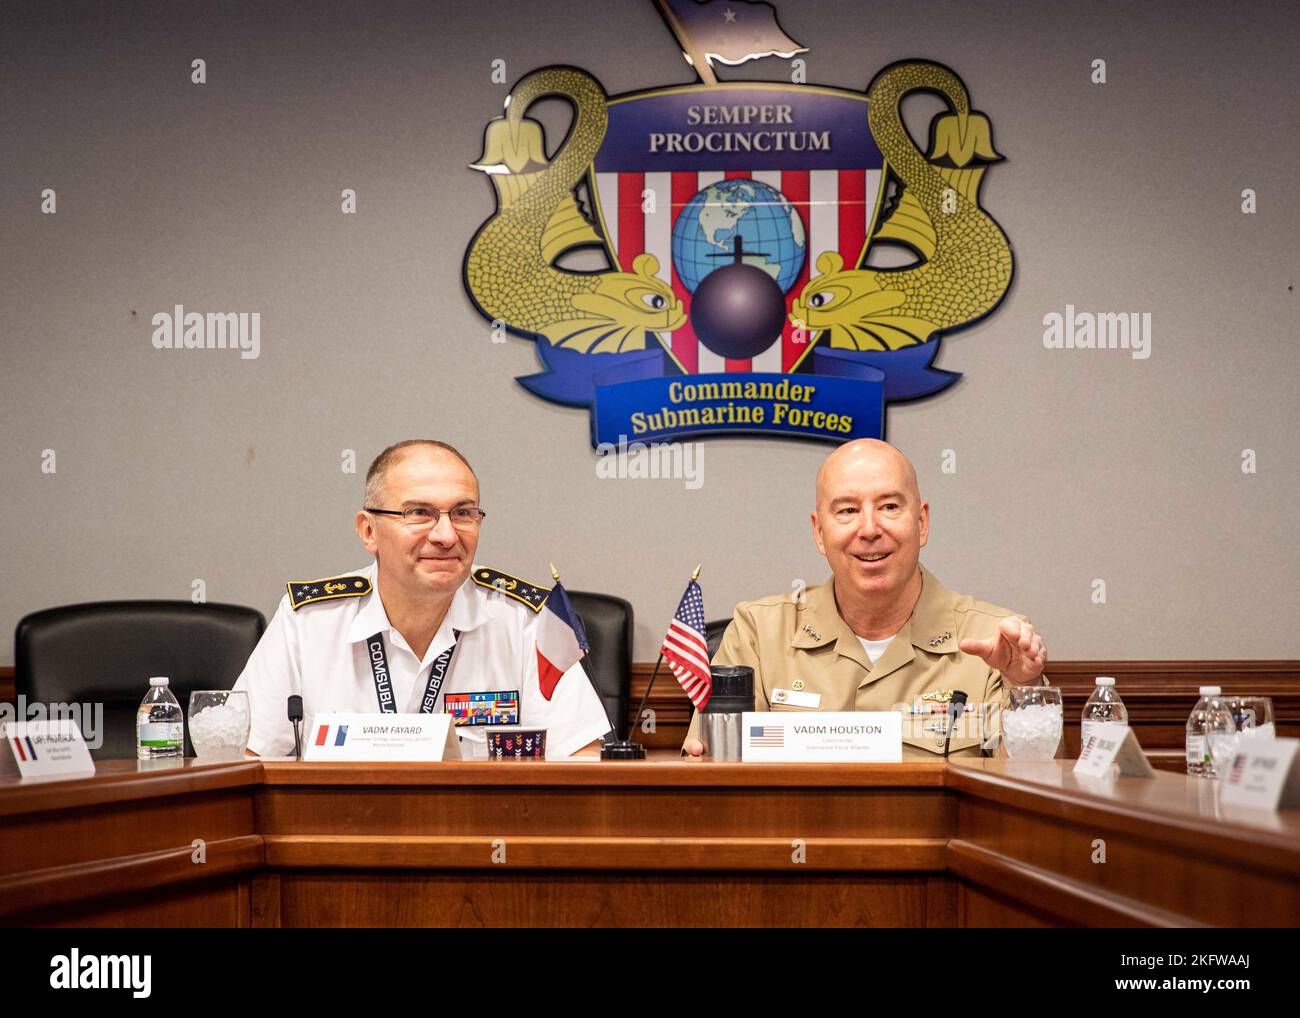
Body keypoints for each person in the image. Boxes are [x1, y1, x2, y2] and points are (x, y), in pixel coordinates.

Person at [234, 440, 613, 758]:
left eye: (463, 513)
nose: (446, 535)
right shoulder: (310, 621)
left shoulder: (524, 620)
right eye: (420, 513)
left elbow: (583, 761)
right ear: (369, 531)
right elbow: (246, 757)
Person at [683, 439, 1048, 756]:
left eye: (889, 507)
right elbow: (712, 776)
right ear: (819, 532)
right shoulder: (758, 634)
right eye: (848, 511)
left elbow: (1026, 792)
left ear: (921, 523)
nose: (870, 529)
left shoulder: (994, 640)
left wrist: (1024, 688)